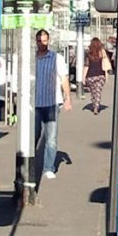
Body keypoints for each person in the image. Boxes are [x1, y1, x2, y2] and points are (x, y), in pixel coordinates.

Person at [34, 29, 71, 180]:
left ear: (48, 41)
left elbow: (63, 78)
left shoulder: (57, 58)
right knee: (34, 135)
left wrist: (67, 97)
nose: (41, 44)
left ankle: (48, 167)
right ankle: (30, 162)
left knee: (51, 137)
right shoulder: (32, 59)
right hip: (35, 103)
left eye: (44, 40)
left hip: (51, 102)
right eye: (39, 41)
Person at [82, 37, 112, 115]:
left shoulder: (88, 54)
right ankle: (96, 106)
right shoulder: (102, 53)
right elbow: (105, 63)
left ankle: (94, 102)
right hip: (100, 76)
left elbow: (86, 66)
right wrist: (106, 76)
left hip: (90, 76)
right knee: (98, 91)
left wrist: (83, 77)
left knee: (93, 91)